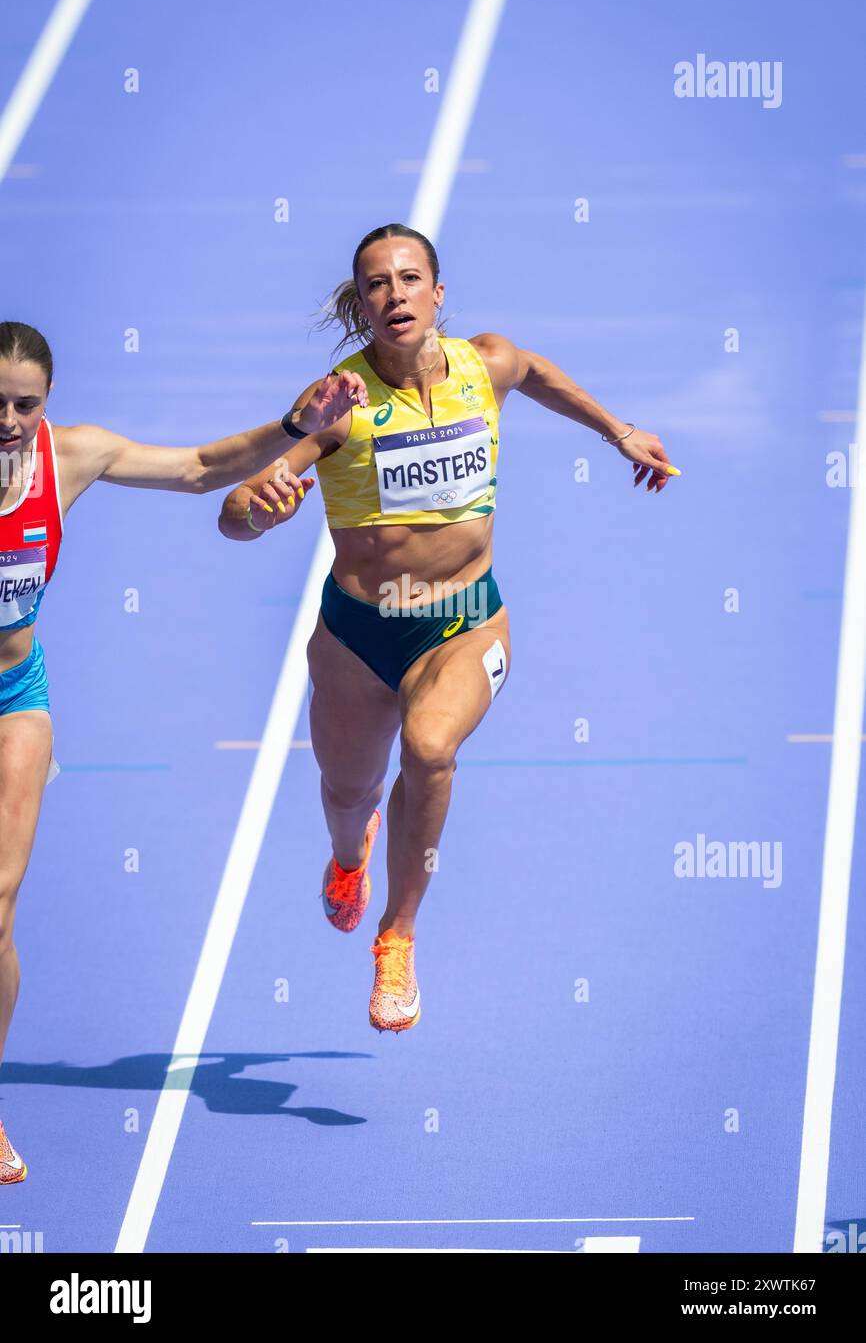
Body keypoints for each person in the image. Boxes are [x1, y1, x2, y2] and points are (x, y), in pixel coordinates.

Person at [218, 223, 679, 1036]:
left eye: (408, 278)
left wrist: (620, 431)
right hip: (358, 639)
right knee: (345, 792)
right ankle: (351, 856)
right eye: (375, 285)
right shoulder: (336, 405)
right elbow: (233, 514)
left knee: (431, 750)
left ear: (438, 293)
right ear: (360, 307)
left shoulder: (485, 362)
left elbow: (534, 372)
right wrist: (255, 511)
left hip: (464, 624)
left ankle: (398, 933)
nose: (393, 295)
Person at [0, 319, 324, 1183]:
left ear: (47, 403)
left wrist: (293, 430)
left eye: (23, 404)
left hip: (14, 700)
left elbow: (198, 468)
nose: (6, 418)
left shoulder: (70, 458)